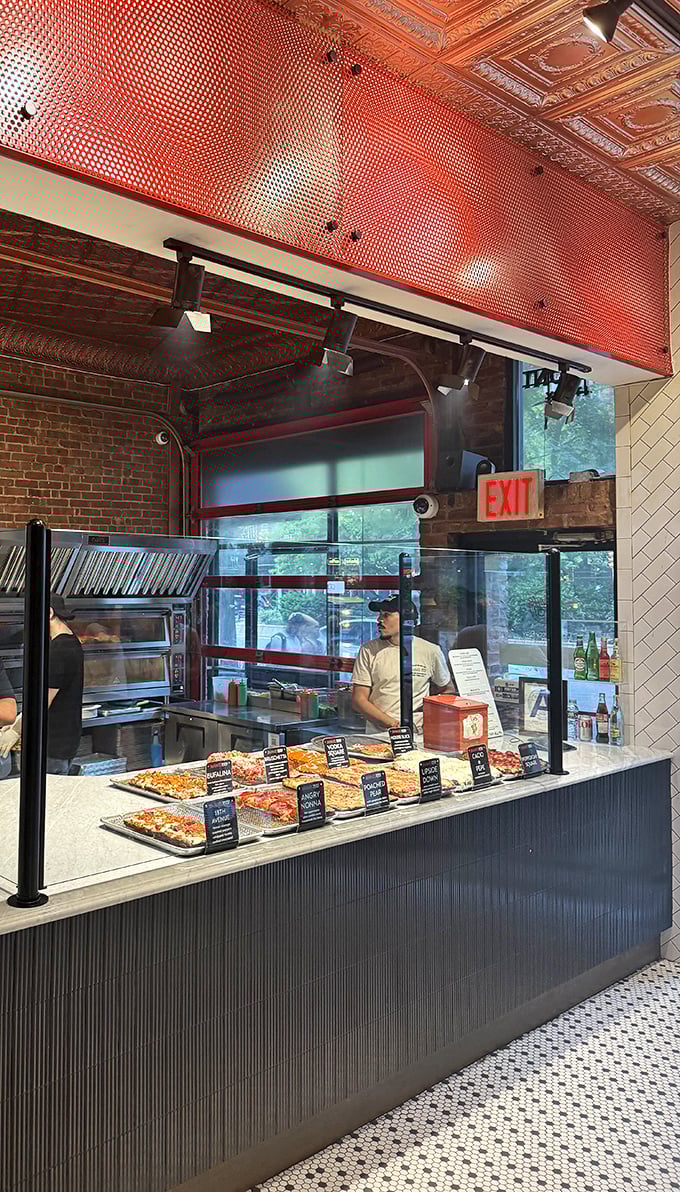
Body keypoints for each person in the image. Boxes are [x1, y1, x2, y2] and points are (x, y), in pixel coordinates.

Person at [0, 593, 84, 774]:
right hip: (64, 740)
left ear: (49, 613)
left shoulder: (60, 650)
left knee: (48, 791)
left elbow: (41, 702)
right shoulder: (71, 642)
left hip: (52, 745)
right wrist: (17, 723)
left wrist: (15, 731)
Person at [352, 596, 453, 736]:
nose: (379, 620)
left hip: (419, 735)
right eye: (380, 614)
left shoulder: (430, 650)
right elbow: (359, 700)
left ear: (406, 619)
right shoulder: (368, 650)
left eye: (386, 615)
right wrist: (393, 725)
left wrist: (430, 715)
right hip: (378, 736)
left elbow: (448, 689)